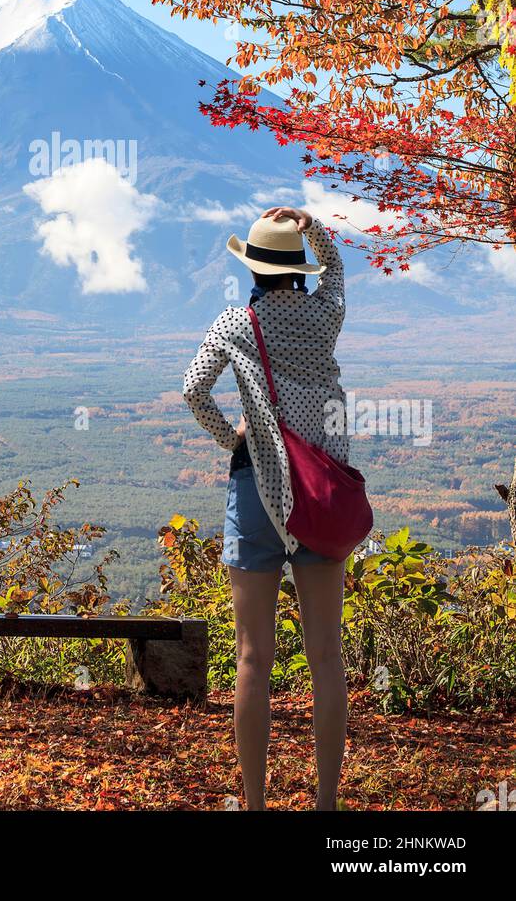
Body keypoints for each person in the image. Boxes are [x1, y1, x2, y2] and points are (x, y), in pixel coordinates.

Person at [182, 206, 348, 811]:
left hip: (257, 489)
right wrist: (314, 227)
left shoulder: (236, 322)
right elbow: (334, 274)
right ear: (297, 267)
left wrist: (233, 437)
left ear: (252, 268)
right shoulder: (326, 315)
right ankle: (326, 806)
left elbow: (192, 388)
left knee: (253, 657)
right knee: (325, 656)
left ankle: (254, 804)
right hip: (320, 495)